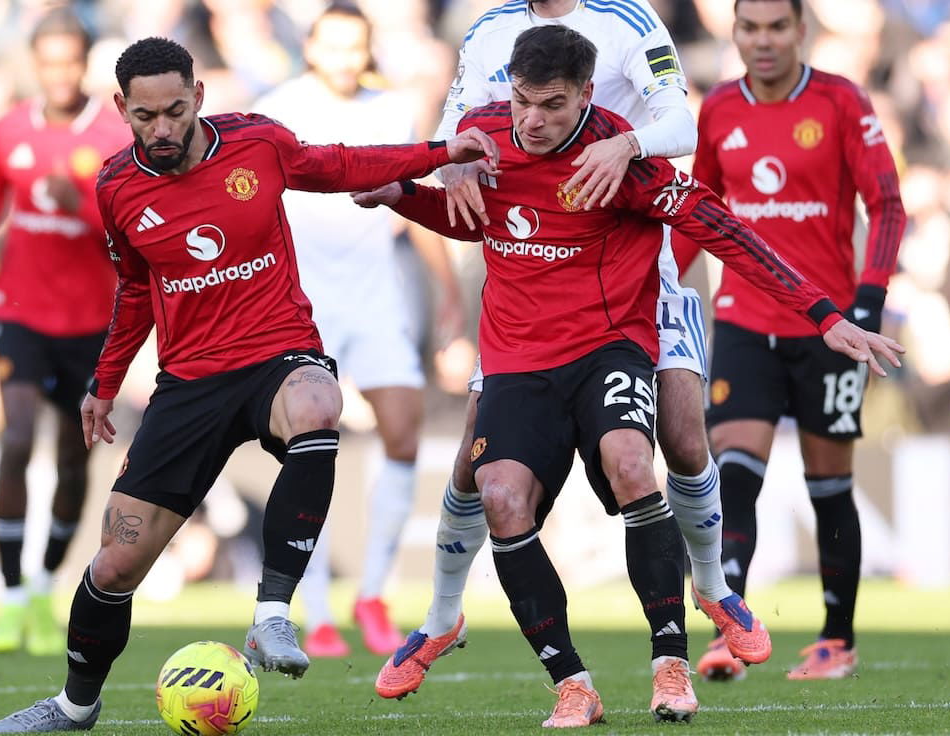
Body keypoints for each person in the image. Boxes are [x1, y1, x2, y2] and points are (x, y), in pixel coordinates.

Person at [354, 24, 903, 727]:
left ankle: (672, 661)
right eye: (523, 101)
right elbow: (486, 219)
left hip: (609, 343)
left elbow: (724, 229)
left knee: (640, 458)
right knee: (495, 493)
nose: (533, 120)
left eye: (552, 105)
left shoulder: (622, 158)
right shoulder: (487, 136)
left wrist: (825, 314)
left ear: (587, 93)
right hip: (520, 356)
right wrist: (401, 193)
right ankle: (571, 682)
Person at [0, 37, 496, 733]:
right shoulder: (116, 188)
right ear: (121, 110)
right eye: (144, 117)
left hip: (276, 354)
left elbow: (340, 164)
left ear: (197, 97)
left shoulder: (257, 145)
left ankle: (272, 614)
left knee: (319, 405)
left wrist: (439, 152)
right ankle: (74, 706)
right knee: (114, 565)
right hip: (189, 382)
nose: (161, 129)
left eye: (173, 111)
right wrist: (104, 384)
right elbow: (136, 288)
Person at [379, 0, 771, 700]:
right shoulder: (488, 29)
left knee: (680, 437)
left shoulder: (629, 21)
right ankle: (441, 616)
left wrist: (628, 144)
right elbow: (452, 126)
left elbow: (680, 122)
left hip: (633, 265)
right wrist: (453, 167)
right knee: (479, 464)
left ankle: (714, 588)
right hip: (531, 270)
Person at [685, 0, 907, 682]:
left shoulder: (841, 102)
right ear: (735, 33)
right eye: (749, 28)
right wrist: (661, 293)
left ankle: (836, 640)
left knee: (828, 483)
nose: (763, 41)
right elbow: (694, 209)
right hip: (746, 320)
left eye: (777, 27)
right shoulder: (719, 109)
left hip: (829, 327)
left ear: (801, 31)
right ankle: (734, 628)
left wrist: (867, 303)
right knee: (735, 477)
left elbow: (888, 204)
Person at [252, 2, 466, 658]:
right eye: (333, 45)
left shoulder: (392, 110)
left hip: (376, 295)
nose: (344, 58)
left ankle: (372, 592)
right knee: (307, 449)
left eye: (356, 46)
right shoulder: (279, 108)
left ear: (367, 50)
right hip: (305, 302)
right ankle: (313, 609)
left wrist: (449, 297)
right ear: (311, 47)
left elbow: (411, 202)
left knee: (403, 434)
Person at [0, 8, 129, 658]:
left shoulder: (116, 136)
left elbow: (132, 234)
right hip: (20, 313)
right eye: (48, 61)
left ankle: (44, 583)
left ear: (84, 64)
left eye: (70, 61)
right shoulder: (5, 133)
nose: (59, 74)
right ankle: (9, 597)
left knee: (72, 456)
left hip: (91, 321)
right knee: (13, 437)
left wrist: (82, 205)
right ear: (33, 64)